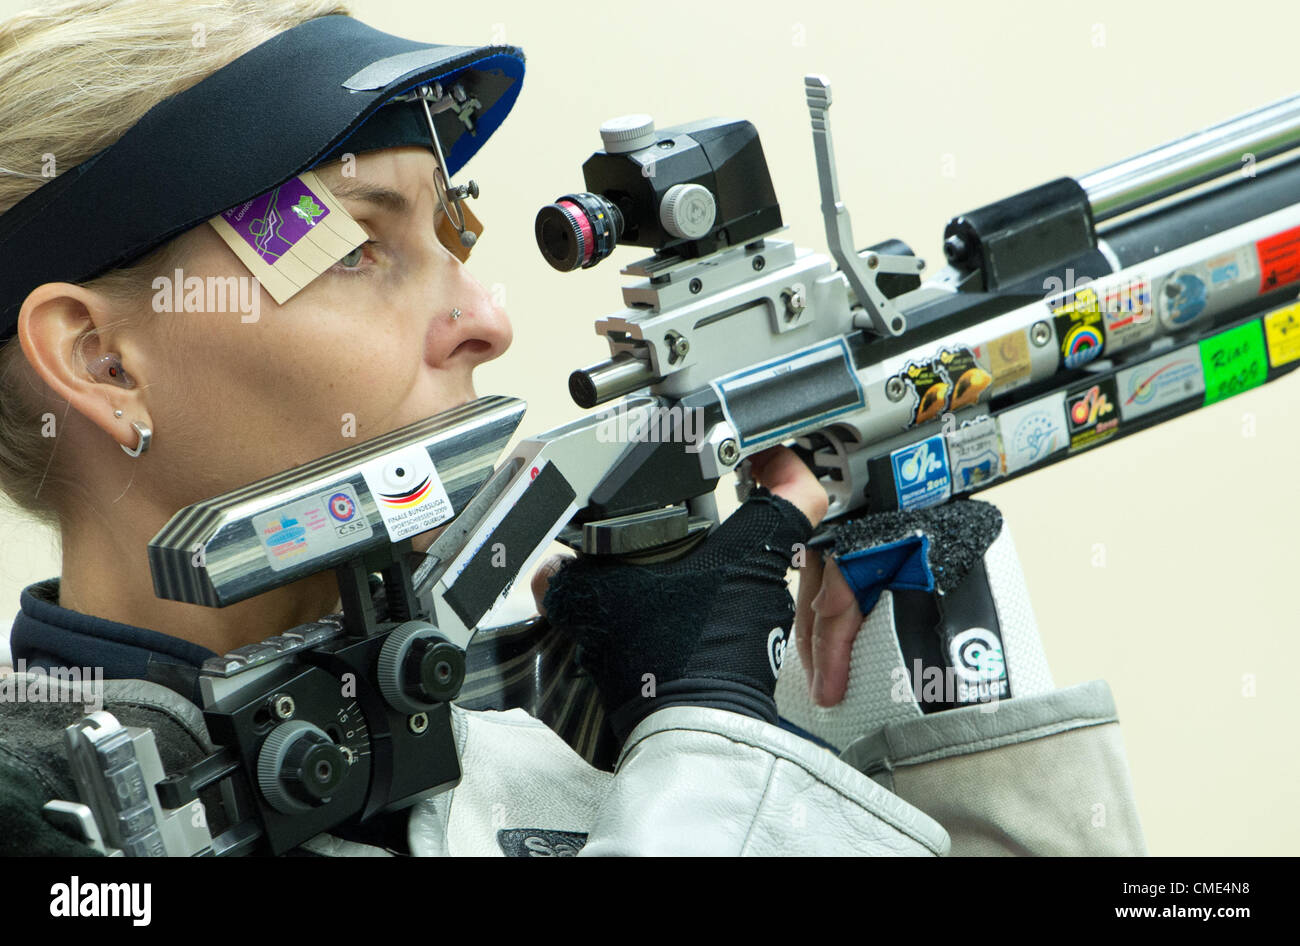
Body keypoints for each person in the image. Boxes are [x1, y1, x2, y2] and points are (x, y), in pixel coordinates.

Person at [0, 0, 1146, 856]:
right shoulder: (48, 821)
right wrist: (705, 737)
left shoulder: (510, 719)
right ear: (101, 361)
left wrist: (918, 659)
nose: (487, 318)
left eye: (457, 235)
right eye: (359, 248)